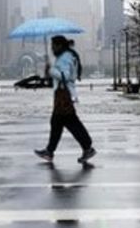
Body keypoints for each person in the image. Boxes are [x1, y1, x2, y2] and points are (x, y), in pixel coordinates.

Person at [34, 35, 96, 164]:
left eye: (53, 46)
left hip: (64, 95)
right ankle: (50, 151)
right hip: (63, 95)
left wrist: (51, 70)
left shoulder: (65, 58)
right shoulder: (67, 56)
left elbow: (65, 76)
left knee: (69, 123)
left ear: (60, 45)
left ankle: (87, 147)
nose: (52, 49)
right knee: (58, 123)